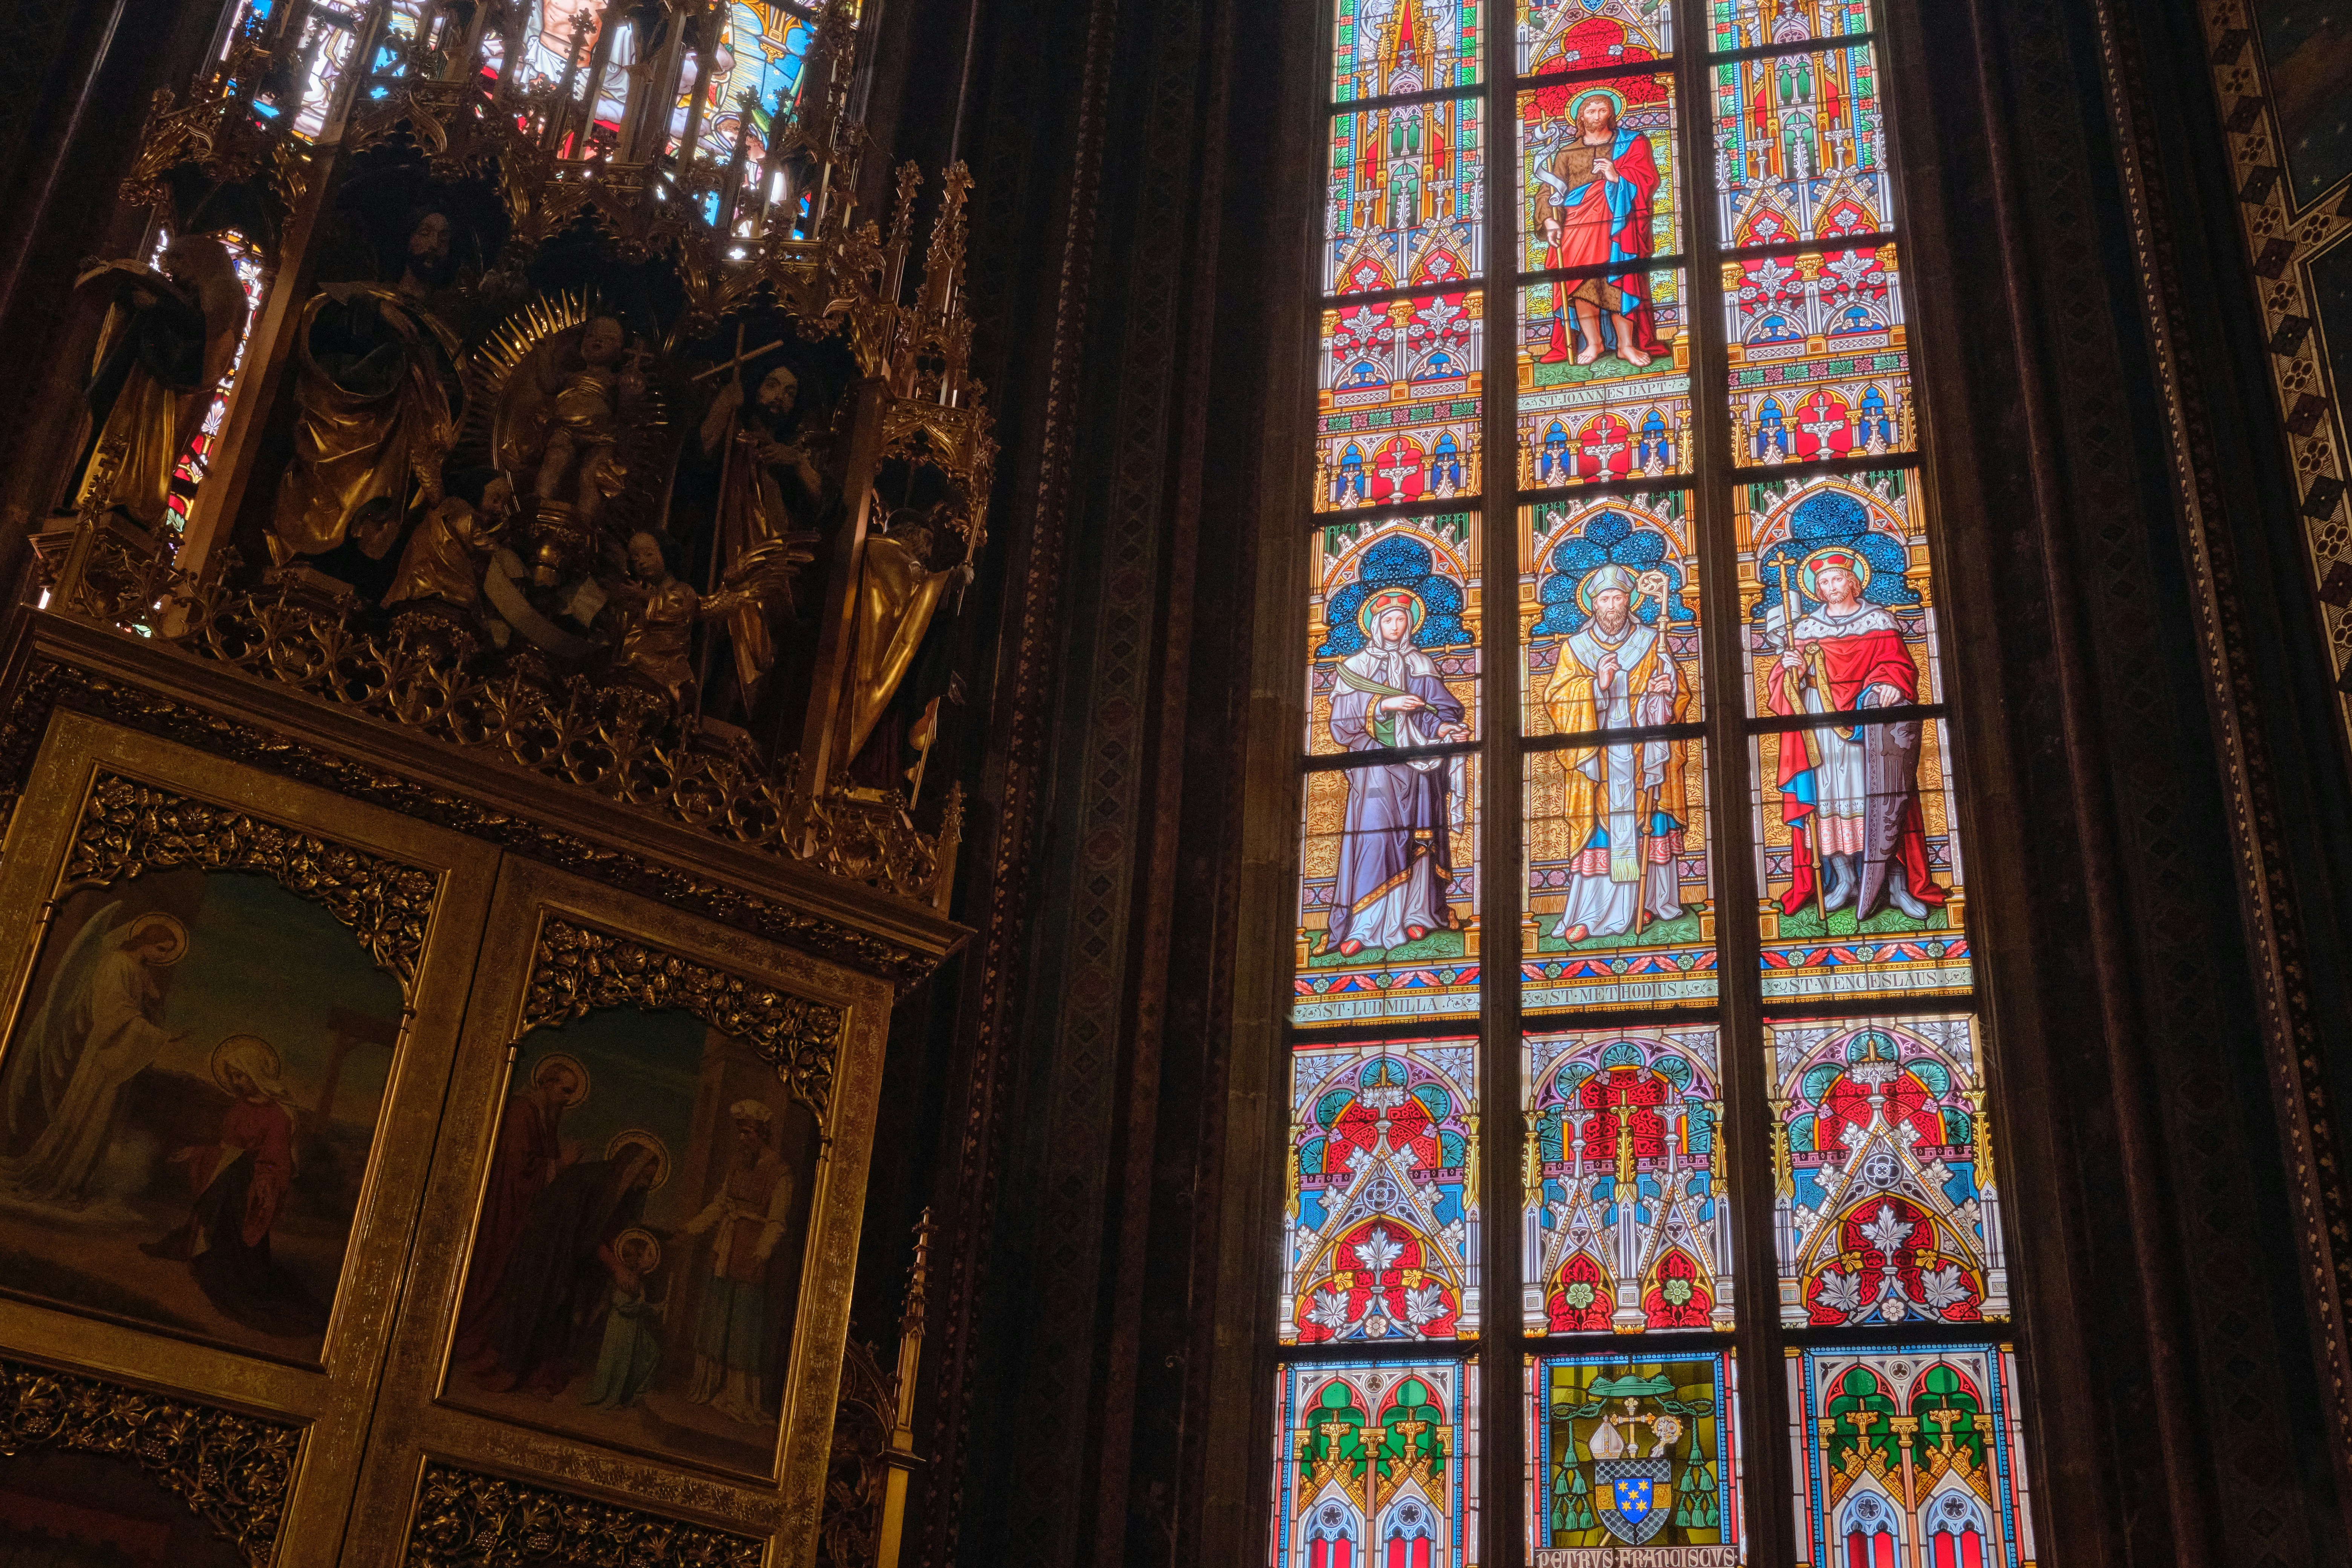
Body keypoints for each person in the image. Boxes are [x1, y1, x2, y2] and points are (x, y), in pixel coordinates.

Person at [269, 209, 464, 565]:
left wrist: (435, 388)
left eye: (444, 239)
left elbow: (452, 401)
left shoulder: (443, 332)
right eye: (425, 233)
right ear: (407, 240)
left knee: (372, 523)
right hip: (342, 426)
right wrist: (376, 312)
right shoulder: (366, 296)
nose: (434, 245)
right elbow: (317, 329)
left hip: (397, 444)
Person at [1764, 549, 1946, 920]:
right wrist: (1791, 667)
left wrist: (1890, 682)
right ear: (1817, 589)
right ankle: (1845, 880)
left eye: (1837, 579)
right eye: (1824, 582)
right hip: (1821, 725)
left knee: (1881, 801)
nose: (1831, 586)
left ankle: (1896, 885)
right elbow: (1785, 687)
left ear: (1853, 582)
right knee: (1829, 802)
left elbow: (1899, 666)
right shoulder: (1806, 629)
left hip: (1870, 727)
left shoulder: (1879, 621)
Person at [0, 910, 190, 1207]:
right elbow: (113, 1012)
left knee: (102, 1123)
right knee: (87, 1114)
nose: (162, 957)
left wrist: (153, 1002)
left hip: (123, 1053)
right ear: (145, 942)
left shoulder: (140, 972)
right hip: (105, 1054)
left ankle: (76, 1183)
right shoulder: (117, 963)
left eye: (167, 953)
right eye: (160, 949)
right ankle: (59, 1179)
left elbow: (141, 1011)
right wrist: (158, 1035)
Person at [141, 1035, 326, 1338]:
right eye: (233, 1077)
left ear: (256, 1073)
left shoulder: (279, 1116)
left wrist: (264, 1181)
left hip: (246, 1183)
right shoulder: (241, 1106)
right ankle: (205, 1256)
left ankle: (228, 1271)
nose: (237, 1082)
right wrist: (198, 1152)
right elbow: (227, 1146)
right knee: (212, 1212)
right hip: (228, 1175)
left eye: (241, 1075)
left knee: (233, 1233)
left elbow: (276, 1158)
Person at [1543, 565, 1690, 941]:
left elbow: (1678, 694)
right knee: (1599, 828)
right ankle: (1591, 913)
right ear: (1594, 604)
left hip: (1643, 753)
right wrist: (1597, 685)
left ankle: (1649, 900)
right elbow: (1556, 699)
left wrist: (1666, 691)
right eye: (1605, 599)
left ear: (1630, 601)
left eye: (1618, 598)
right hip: (1598, 758)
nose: (1612, 606)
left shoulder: (1651, 641)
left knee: (1648, 822)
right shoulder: (1575, 648)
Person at [1323, 588, 1471, 957]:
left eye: (1401, 619)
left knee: (1421, 838)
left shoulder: (1421, 663)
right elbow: (1340, 724)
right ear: (1375, 624)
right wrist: (1384, 704)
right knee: (1376, 837)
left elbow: (1437, 711)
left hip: (1420, 765)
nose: (1395, 625)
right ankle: (1365, 924)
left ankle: (1417, 914)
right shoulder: (1356, 666)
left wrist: (1446, 729)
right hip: (1376, 766)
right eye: (1388, 619)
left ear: (1411, 623)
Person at [67, 236, 248, 530]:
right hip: (133, 371)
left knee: (145, 433)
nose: (173, 270)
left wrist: (158, 306)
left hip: (158, 381)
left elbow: (206, 333)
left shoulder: (216, 293)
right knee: (107, 421)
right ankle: (90, 493)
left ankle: (129, 495)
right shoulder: (175, 290)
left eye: (179, 262)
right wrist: (105, 276)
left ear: (197, 262)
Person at [463, 1134, 665, 1397]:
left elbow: (604, 1233)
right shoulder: (596, 1181)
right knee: (539, 1307)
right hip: (547, 1253)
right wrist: (616, 1267)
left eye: (650, 1181)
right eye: (644, 1177)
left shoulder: (616, 1191)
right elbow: (585, 1234)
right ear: (632, 1167)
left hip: (570, 1257)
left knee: (563, 1316)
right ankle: (513, 1371)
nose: (644, 1185)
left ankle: (541, 1376)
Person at [695, 361, 828, 717]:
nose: (780, 398)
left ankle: (727, 719)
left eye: (790, 393)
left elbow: (826, 507)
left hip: (768, 565)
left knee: (756, 644)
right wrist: (724, 405)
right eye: (772, 385)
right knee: (714, 632)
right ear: (755, 388)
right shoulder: (734, 430)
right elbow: (698, 455)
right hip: (720, 547)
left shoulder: (789, 454)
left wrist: (796, 462)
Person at [454, 1052, 587, 1358]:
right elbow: (517, 1169)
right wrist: (561, 1164)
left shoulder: (546, 1117)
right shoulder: (522, 1111)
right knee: (492, 1274)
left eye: (572, 1093)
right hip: (505, 1210)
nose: (568, 1099)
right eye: (565, 1090)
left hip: (523, 1214)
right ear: (547, 1083)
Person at [682, 1100, 795, 1425]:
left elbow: (777, 1222)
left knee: (744, 1324)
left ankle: (737, 1398)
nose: (742, 1139)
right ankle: (710, 1387)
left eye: (748, 1133)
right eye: (740, 1133)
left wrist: (762, 1253)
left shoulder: (780, 1173)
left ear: (763, 1135)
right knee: (717, 1317)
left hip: (750, 1252)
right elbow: (720, 1205)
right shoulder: (736, 1166)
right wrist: (691, 1229)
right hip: (725, 1250)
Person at [1535, 92, 1663, 367]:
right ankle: (1594, 343)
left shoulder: (1631, 143)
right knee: (1580, 283)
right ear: (1581, 116)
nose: (1596, 116)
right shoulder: (1566, 153)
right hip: (1577, 227)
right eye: (1590, 111)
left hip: (1618, 225)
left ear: (1611, 114)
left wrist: (1617, 177)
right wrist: (1549, 221)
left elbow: (1648, 179)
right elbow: (1549, 191)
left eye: (1603, 110)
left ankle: (1626, 346)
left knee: (1619, 280)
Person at [382, 466, 516, 612]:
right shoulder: (459, 508)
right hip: (433, 574)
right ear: (477, 490)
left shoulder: (456, 507)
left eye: (503, 505)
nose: (499, 510)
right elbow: (474, 538)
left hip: (438, 569)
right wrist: (497, 546)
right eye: (496, 500)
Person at [582, 1229, 665, 1410]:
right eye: (647, 1255)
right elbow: (624, 1306)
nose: (650, 1259)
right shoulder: (627, 1278)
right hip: (622, 1328)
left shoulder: (636, 1278)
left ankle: (630, 1395)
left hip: (632, 1328)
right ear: (635, 1259)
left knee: (647, 1355)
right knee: (621, 1361)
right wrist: (653, 1309)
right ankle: (616, 1397)